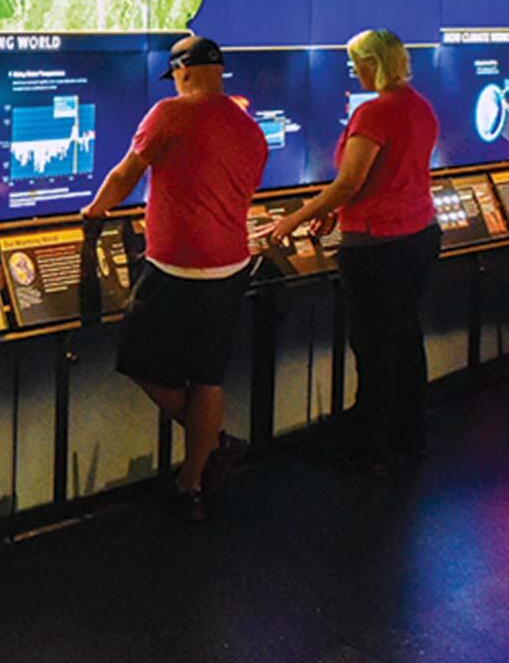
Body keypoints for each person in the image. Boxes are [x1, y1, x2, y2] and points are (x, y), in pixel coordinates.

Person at [78, 34, 267, 522]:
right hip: (230, 267)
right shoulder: (250, 128)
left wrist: (96, 209)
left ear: (182, 71)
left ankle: (215, 445)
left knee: (139, 362)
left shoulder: (169, 113)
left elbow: (125, 175)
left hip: (174, 269)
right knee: (207, 376)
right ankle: (192, 482)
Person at [265, 29, 440, 476]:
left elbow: (349, 181)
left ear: (372, 64)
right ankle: (411, 437)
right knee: (406, 337)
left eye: (356, 62)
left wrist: (292, 219)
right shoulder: (419, 106)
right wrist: (338, 209)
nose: (354, 71)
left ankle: (367, 450)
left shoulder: (375, 114)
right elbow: (386, 176)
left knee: (374, 348)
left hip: (376, 246)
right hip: (419, 235)